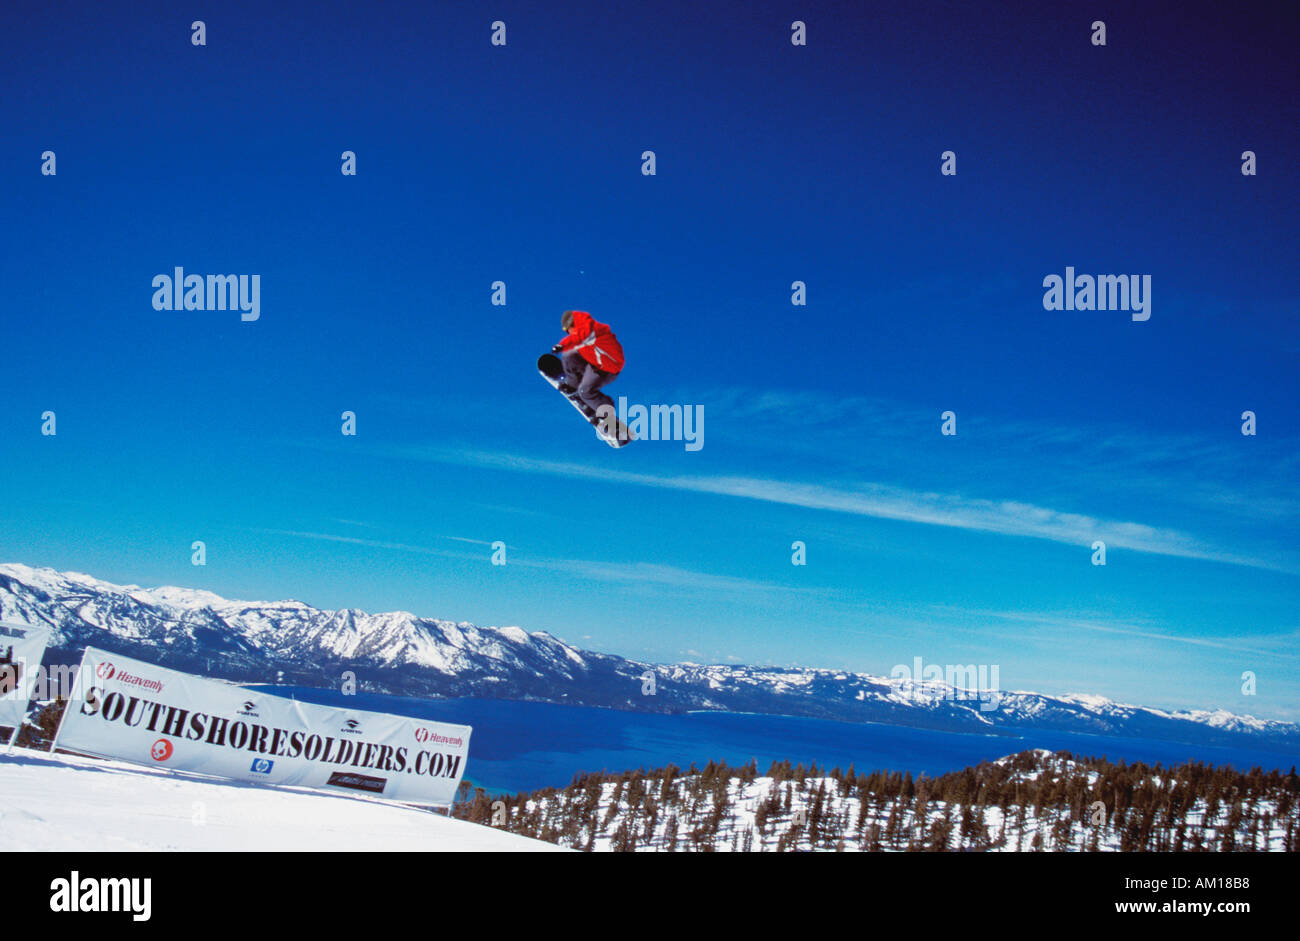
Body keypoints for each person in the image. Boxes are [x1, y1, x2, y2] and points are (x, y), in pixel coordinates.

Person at [552, 309, 625, 419]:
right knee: (568, 356)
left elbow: (582, 337)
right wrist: (562, 346)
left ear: (573, 324)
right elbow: (576, 339)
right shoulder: (581, 334)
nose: (569, 333)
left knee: (585, 391)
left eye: (568, 330)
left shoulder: (593, 330)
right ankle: (573, 385)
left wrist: (563, 345)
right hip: (595, 362)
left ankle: (606, 414)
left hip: (608, 368)